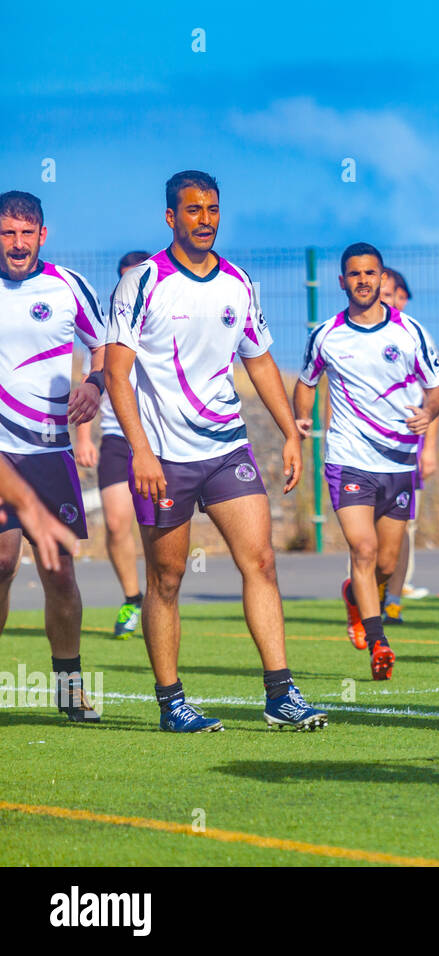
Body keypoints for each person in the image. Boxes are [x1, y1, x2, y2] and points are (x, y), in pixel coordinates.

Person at [105, 169, 327, 733]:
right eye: (193, 210)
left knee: (261, 561)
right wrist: (141, 451)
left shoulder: (239, 283)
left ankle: (281, 692)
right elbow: (116, 372)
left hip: (228, 448)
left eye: (213, 209)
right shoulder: (142, 281)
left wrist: (290, 433)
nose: (205, 220)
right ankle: (171, 701)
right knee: (167, 579)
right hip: (163, 458)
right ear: (171, 217)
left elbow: (258, 360)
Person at [293, 242, 439, 681]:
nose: (363, 280)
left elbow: (437, 389)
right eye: (354, 274)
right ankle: (379, 642)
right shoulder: (325, 335)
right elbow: (306, 381)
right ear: (342, 282)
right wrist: (300, 418)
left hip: (399, 462)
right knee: (363, 549)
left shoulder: (410, 332)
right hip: (348, 458)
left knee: (385, 562)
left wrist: (429, 413)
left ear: (383, 279)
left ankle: (355, 599)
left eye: (370, 273)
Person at [0, 190, 108, 722]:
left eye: (26, 233)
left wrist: (97, 382)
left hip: (49, 451)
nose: (17, 244)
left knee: (58, 569)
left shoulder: (68, 287)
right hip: (0, 452)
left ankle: (69, 688)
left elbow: (104, 344)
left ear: (43, 234)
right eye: (7, 232)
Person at [74, 250, 149, 638]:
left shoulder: (164, 321)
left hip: (161, 439)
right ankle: (132, 599)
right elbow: (95, 377)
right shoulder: (106, 330)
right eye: (125, 278)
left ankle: (161, 597)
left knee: (160, 527)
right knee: (118, 524)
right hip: (118, 439)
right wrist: (84, 436)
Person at [375, 267, 432, 621]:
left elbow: (433, 395)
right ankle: (367, 596)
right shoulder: (347, 335)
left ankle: (393, 599)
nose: (386, 300)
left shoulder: (413, 337)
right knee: (365, 529)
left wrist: (432, 447)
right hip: (360, 451)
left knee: (403, 524)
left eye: (392, 294)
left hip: (407, 450)